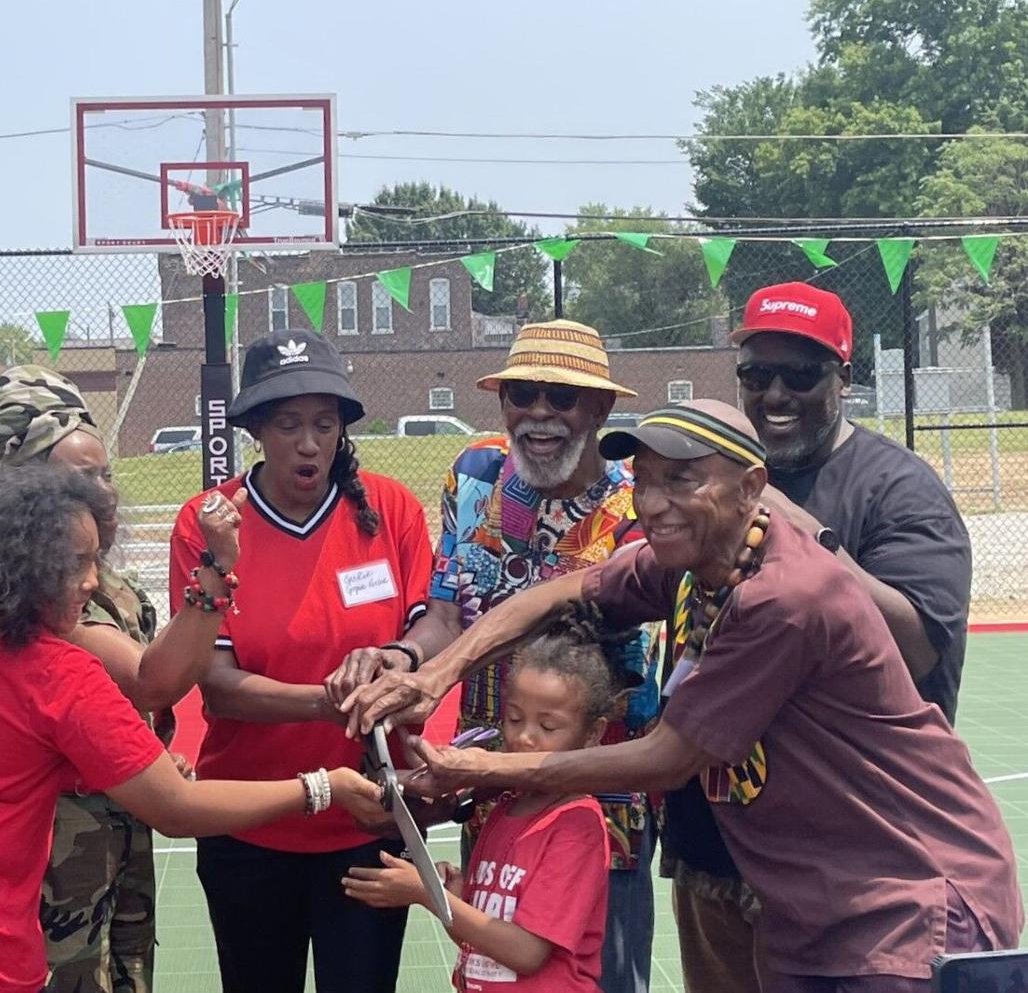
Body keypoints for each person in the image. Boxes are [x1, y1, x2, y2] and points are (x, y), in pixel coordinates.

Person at [342, 400, 1023, 993]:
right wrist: (434, 675)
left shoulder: (785, 596)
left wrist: (478, 767)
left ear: (751, 486)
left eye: (683, 479)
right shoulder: (694, 561)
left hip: (904, 900)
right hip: (808, 912)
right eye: (645, 482)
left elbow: (667, 759)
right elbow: (563, 591)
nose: (653, 504)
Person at [0, 465, 384, 993]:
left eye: (96, 559)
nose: (91, 581)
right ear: (20, 562)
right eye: (73, 563)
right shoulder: (58, 673)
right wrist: (323, 787)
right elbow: (176, 808)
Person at [661, 283, 977, 992]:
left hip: (847, 872)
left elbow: (918, 645)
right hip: (716, 850)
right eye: (756, 375)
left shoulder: (898, 490)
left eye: (800, 375)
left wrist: (787, 520)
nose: (775, 394)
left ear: (843, 379)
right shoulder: (713, 486)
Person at [329, 320, 659, 993]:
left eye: (560, 398)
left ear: (600, 410)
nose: (538, 414)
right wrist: (401, 657)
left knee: (592, 974)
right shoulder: (475, 475)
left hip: (595, 792)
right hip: (488, 785)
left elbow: (573, 632)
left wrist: (447, 713)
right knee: (494, 967)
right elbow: (448, 614)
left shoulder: (638, 503)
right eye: (522, 395)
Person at [169, 329, 435, 993]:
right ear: (256, 428)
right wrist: (329, 698)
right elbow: (219, 687)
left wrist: (396, 657)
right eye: (288, 424)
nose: (309, 442)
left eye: (324, 422)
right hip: (249, 825)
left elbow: (434, 621)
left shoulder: (390, 507)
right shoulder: (209, 525)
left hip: (367, 823)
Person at [0, 364, 243, 993]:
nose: (105, 491)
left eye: (106, 474)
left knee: (127, 970)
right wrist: (216, 572)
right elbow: (152, 681)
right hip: (61, 845)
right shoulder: (38, 591)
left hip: (117, 823)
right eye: (82, 477)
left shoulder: (100, 577)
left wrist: (151, 751)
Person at [343, 607, 625, 992]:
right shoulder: (504, 809)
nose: (525, 737)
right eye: (513, 719)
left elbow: (527, 952)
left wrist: (430, 894)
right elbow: (483, 943)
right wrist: (457, 901)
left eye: (547, 726)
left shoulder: (576, 824)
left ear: (593, 734)